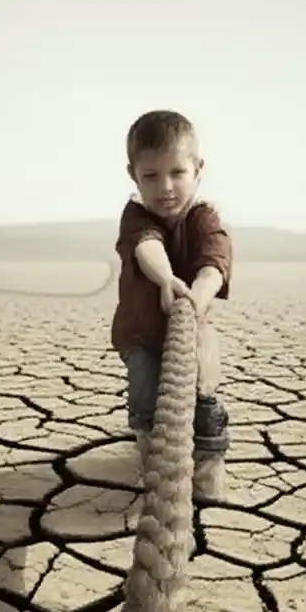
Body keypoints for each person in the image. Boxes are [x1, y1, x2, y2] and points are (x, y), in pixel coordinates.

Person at [110, 109, 233, 500]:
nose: (165, 187)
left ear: (198, 168)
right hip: (142, 333)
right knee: (146, 400)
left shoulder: (203, 215)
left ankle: (207, 471)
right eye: (151, 176)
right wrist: (165, 280)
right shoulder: (135, 216)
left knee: (204, 400)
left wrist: (197, 296)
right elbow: (148, 245)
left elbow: (215, 261)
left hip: (193, 331)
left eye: (177, 173)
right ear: (133, 174)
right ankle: (154, 467)